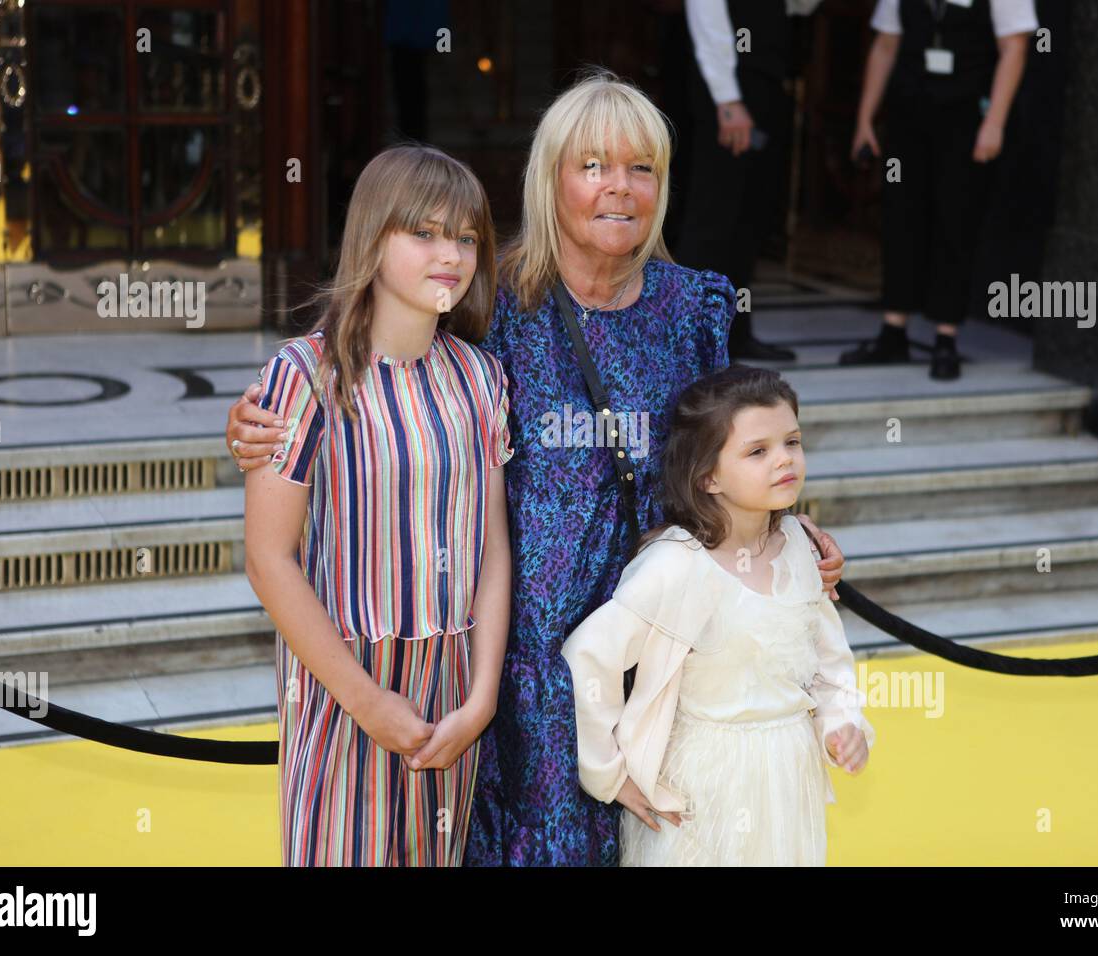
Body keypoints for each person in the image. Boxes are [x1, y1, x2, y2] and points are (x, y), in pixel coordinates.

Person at [227, 70, 850, 867]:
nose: (619, 188)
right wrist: (256, 426)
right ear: (550, 179)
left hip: (665, 650)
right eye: (592, 166)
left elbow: (733, 453)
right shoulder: (492, 305)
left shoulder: (696, 308)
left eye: (642, 168)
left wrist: (790, 533)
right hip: (525, 672)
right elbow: (381, 367)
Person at [242, 145, 513, 866]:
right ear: (372, 238)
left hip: (452, 685)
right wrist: (366, 701)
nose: (449, 254)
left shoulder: (482, 378)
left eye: (464, 236)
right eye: (423, 233)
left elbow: (491, 550)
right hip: (340, 680)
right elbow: (269, 561)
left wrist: (482, 696)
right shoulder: (304, 376)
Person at [563, 366, 874, 865]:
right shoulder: (675, 564)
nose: (784, 460)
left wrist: (842, 724)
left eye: (792, 442)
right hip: (701, 794)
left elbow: (826, 660)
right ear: (708, 475)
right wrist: (609, 774)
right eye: (758, 451)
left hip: (788, 783)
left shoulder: (799, 547)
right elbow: (587, 657)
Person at [841, 0, 1037, 380]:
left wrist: (995, 122)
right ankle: (893, 329)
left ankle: (946, 336)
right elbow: (885, 44)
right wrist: (865, 119)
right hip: (909, 112)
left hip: (967, 115)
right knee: (901, 215)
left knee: (956, 218)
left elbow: (1015, 47)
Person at [674, 0, 825, 363]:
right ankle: (689, 343)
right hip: (726, 91)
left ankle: (736, 335)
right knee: (713, 218)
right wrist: (728, 99)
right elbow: (706, 17)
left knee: (748, 220)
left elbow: (801, 7)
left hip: (765, 85)